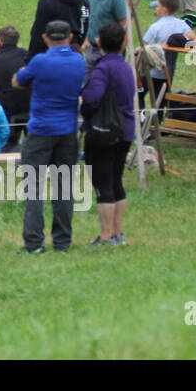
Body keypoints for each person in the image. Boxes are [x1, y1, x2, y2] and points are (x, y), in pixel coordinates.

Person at [13, 20, 85, 253]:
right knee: (64, 188)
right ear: (70, 36)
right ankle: (62, 241)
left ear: (45, 38)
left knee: (33, 188)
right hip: (67, 131)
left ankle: (34, 242)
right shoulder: (78, 61)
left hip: (41, 130)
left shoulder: (40, 61)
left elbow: (17, 82)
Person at [81, 23, 136, 246]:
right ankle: (117, 232)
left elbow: (92, 97)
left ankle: (105, 236)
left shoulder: (102, 69)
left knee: (103, 182)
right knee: (116, 180)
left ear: (99, 43)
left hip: (104, 129)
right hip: (126, 128)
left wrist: (85, 112)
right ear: (124, 43)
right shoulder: (125, 67)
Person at [0, 26, 31, 151]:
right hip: (31, 104)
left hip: (11, 109)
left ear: (0, 42)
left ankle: (9, 144)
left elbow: (2, 83)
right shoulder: (26, 55)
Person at [82, 0, 128, 65]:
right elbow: (92, 19)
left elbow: (125, 27)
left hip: (109, 52)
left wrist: (118, 54)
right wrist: (87, 40)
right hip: (92, 50)